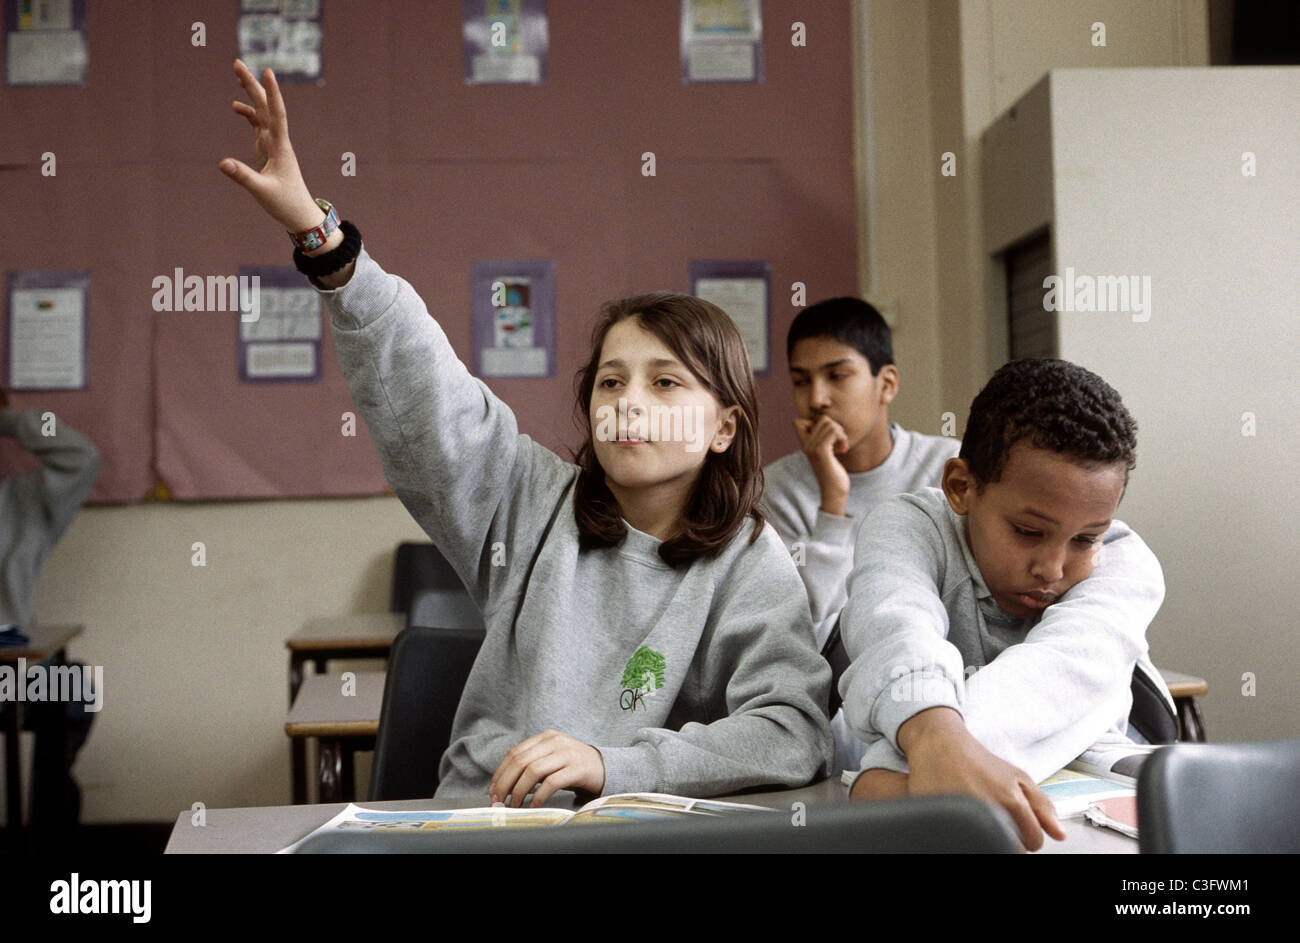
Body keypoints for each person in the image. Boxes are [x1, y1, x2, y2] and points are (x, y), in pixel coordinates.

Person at [219, 60, 831, 806]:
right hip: (488, 830)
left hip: (633, 837)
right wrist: (322, 239)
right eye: (611, 381)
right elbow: (425, 387)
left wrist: (614, 763)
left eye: (664, 382)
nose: (628, 403)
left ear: (725, 427)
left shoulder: (748, 562)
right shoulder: (533, 503)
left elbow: (792, 729)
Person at [839, 358, 1167, 851]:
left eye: (1084, 539)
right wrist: (933, 738)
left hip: (1084, 800)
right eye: (1028, 532)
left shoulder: (1124, 564)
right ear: (961, 487)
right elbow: (897, 627)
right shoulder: (909, 527)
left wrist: (906, 765)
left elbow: (1053, 675)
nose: (1053, 568)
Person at [760, 297, 958, 771]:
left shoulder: (948, 467)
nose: (817, 398)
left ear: (886, 383)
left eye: (837, 375)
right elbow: (804, 628)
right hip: (836, 706)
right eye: (801, 381)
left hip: (944, 683)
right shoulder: (778, 488)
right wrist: (833, 498)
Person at [0, 387, 101, 826]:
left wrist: (8, 420)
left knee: (72, 686)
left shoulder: (20, 503)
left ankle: (45, 837)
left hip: (10, 674)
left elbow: (83, 457)